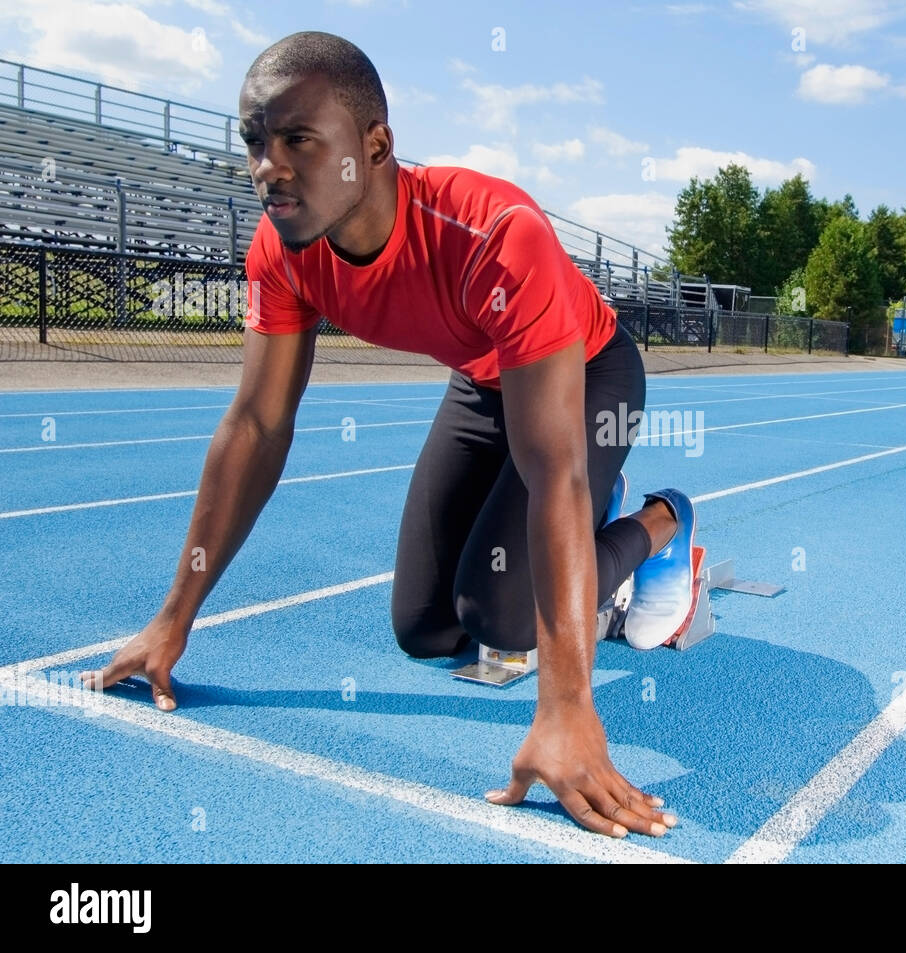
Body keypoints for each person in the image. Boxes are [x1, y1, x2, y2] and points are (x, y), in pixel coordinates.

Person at [79, 31, 701, 841]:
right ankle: (589, 525)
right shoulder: (284, 250)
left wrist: (567, 708)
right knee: (425, 627)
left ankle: (660, 521)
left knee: (505, 616)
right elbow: (258, 423)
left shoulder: (496, 234)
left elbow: (556, 475)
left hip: (582, 376)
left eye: (298, 139)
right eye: (254, 142)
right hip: (480, 379)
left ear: (376, 146)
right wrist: (174, 617)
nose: (269, 166)